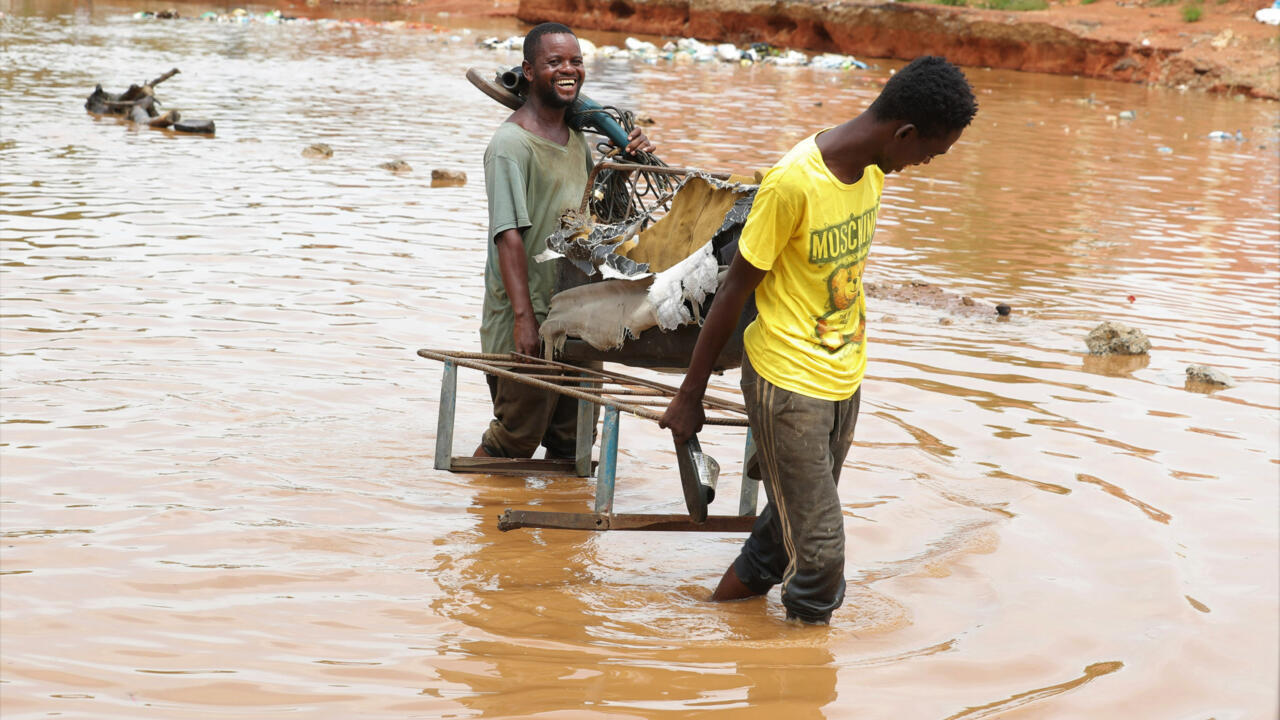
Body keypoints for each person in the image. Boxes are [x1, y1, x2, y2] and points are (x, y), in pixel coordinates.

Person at [660, 56, 978, 625]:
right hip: (787, 383)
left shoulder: (872, 173)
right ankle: (799, 667)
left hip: (843, 377)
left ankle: (709, 625)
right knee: (822, 557)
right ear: (904, 133)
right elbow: (733, 290)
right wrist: (690, 394)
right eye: (929, 153)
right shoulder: (793, 183)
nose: (924, 164)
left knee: (784, 534)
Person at [476, 23, 654, 460]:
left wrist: (626, 163)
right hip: (529, 319)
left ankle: (563, 511)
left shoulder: (576, 140)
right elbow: (508, 236)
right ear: (529, 72)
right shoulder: (510, 144)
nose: (568, 69)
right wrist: (524, 321)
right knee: (513, 441)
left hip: (578, 316)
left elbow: (595, 222)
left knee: (573, 445)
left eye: (575, 61)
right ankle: (474, 502)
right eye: (554, 62)